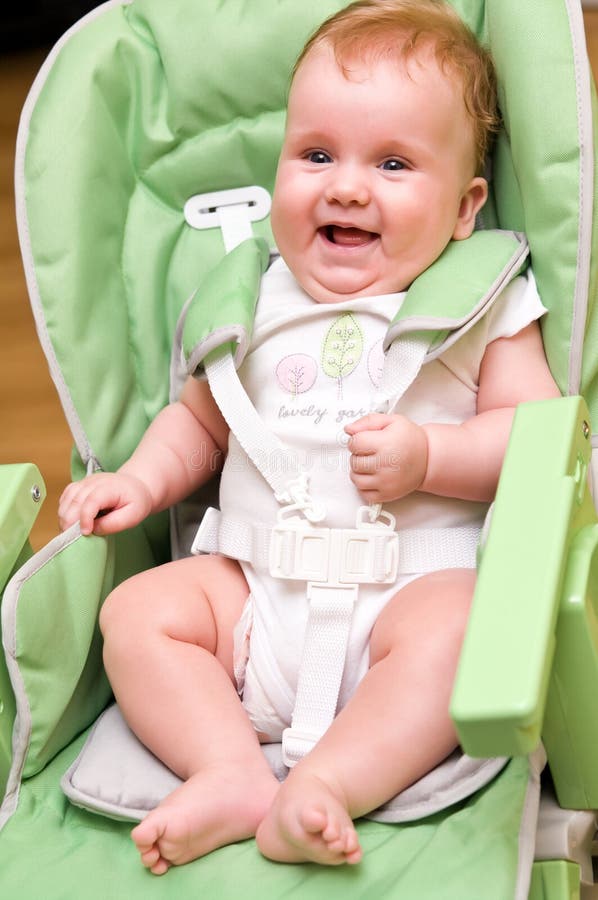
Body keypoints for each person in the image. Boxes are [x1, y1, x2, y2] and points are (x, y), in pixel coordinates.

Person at [58, 0, 561, 874]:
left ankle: (326, 782)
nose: (347, 186)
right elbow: (199, 425)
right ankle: (228, 771)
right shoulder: (248, 296)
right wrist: (140, 482)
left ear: (464, 207)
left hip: (402, 608)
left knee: (462, 628)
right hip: (253, 603)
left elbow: (539, 439)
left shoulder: (488, 303)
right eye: (316, 154)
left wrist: (432, 457)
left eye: (394, 162)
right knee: (136, 613)